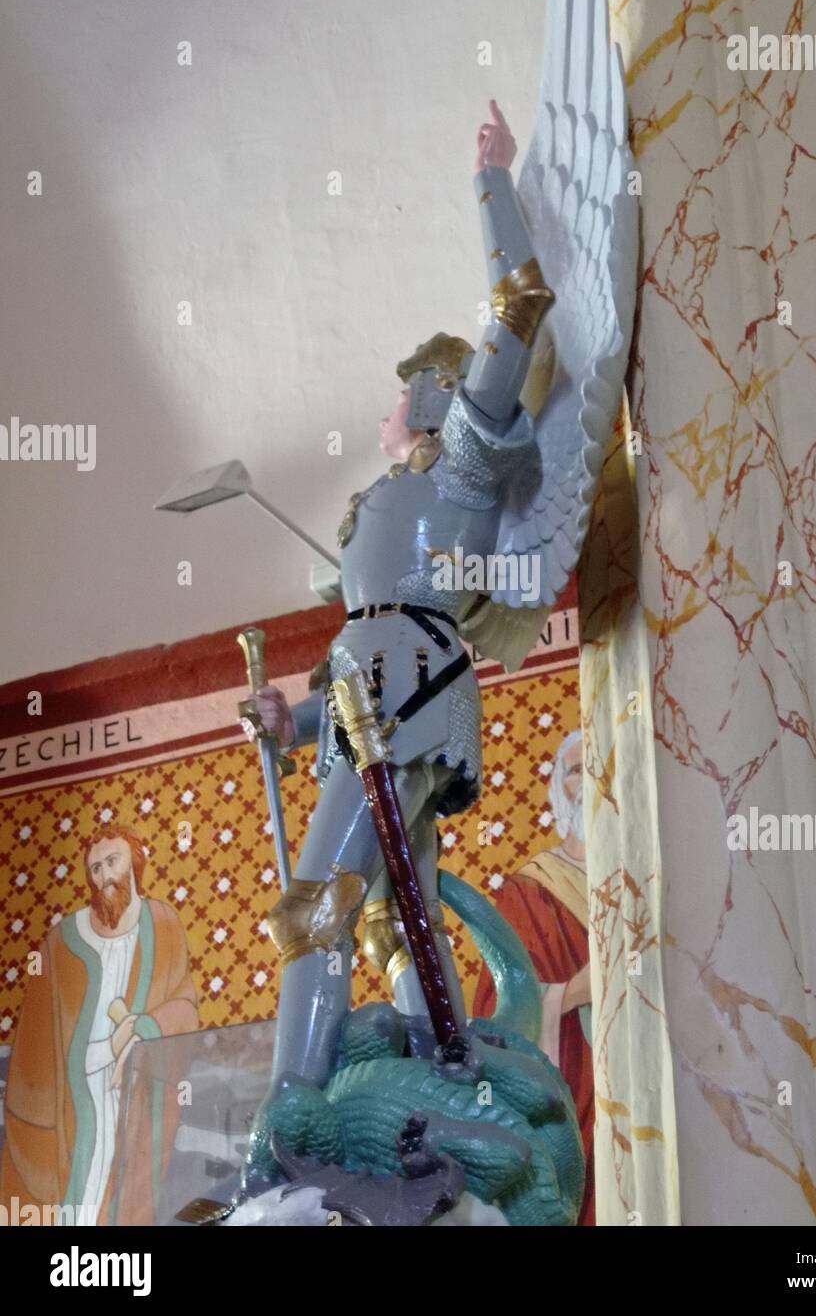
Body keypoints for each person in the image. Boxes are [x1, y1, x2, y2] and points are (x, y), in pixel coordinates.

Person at [240, 101, 556, 1182]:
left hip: (411, 692)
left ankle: (294, 1092)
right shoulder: (384, 508)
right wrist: (290, 725)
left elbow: (522, 300)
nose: (385, 411)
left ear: (430, 389)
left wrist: (493, 181)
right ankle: (436, 1054)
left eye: (396, 391)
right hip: (369, 699)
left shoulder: (464, 465)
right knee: (401, 895)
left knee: (320, 898)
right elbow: (347, 651)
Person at [0, 828, 198, 1224]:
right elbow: (39, 1047)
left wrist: (143, 1029)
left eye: (113, 861)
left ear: (135, 863)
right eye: (95, 868)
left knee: (128, 1191)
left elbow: (186, 1006)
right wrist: (111, 1048)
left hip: (140, 1093)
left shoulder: (163, 923)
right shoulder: (61, 942)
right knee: (83, 1191)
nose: (105, 876)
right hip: (76, 1100)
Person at [473, 729, 595, 1223]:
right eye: (576, 770)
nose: (589, 781)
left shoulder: (644, 872)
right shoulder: (529, 892)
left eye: (599, 766)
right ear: (557, 789)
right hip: (575, 1080)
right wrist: (569, 995)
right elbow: (493, 1016)